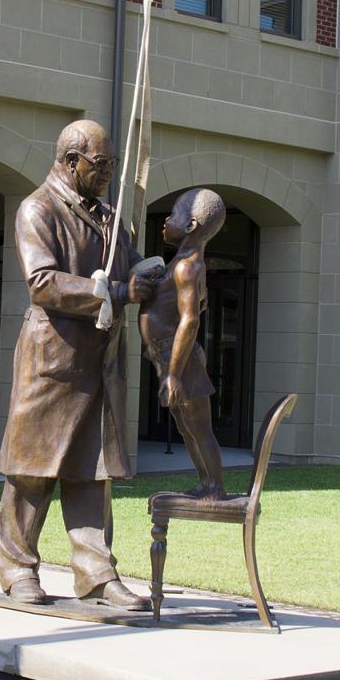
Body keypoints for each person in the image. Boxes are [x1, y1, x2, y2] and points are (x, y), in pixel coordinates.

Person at [0, 119, 157, 609]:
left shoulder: (111, 220)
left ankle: (96, 574)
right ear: (70, 162)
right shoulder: (37, 209)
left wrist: (157, 280)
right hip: (52, 361)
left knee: (93, 471)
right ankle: (18, 570)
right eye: (100, 165)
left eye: (110, 164)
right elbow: (43, 281)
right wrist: (109, 290)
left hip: (99, 363)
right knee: (32, 470)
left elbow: (129, 273)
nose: (108, 173)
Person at [138, 188, 227, 500]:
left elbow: (190, 320)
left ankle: (215, 487)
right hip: (167, 358)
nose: (166, 219)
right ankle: (205, 483)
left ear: (190, 225)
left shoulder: (188, 266)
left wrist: (174, 374)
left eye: (174, 214)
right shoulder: (181, 263)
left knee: (199, 426)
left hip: (182, 361)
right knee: (185, 426)